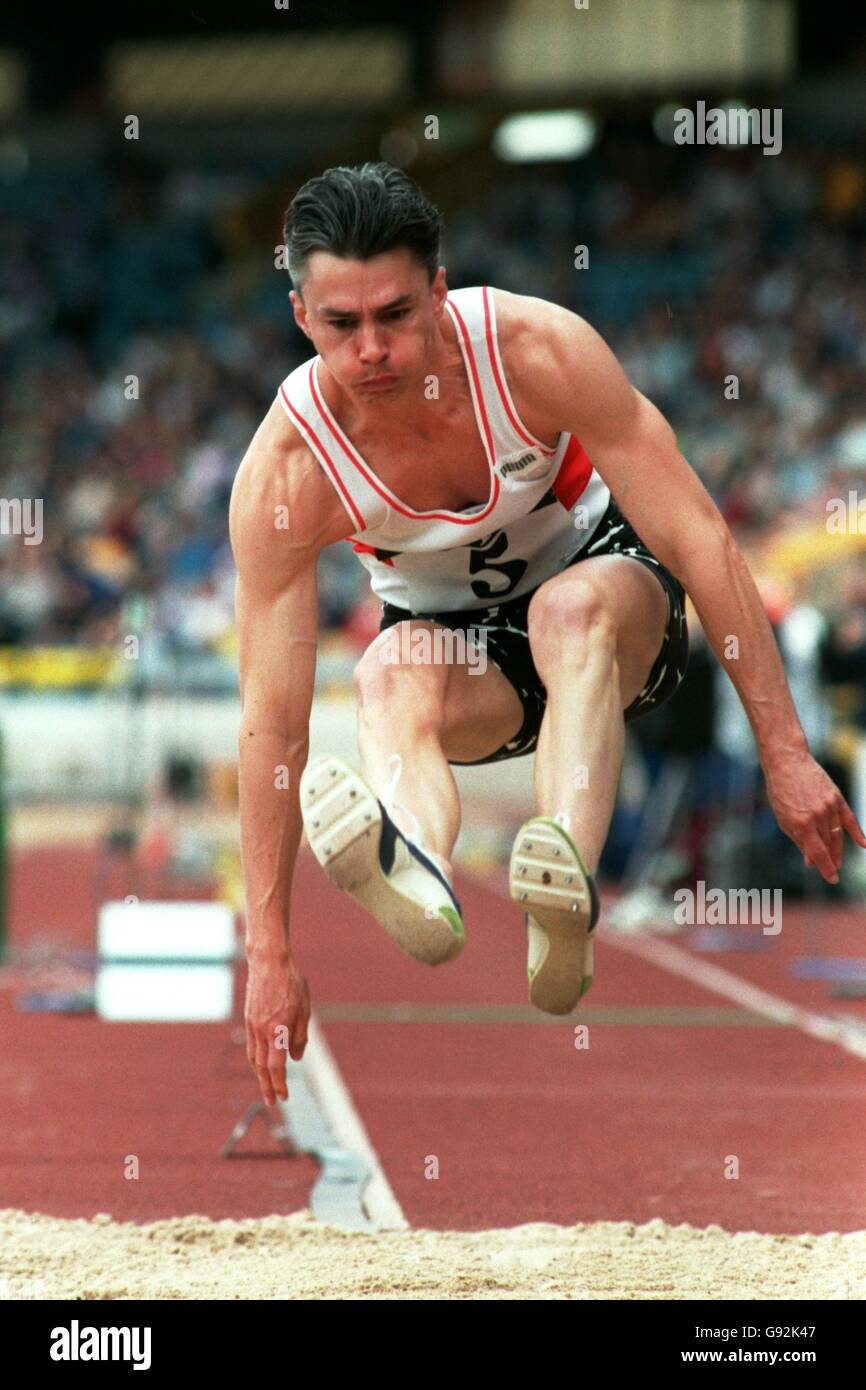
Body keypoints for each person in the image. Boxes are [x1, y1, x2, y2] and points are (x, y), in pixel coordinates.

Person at [229, 162, 864, 1107]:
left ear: (441, 291)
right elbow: (272, 727)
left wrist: (785, 751)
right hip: (464, 658)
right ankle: (420, 873)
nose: (372, 350)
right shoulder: (289, 471)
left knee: (568, 611)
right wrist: (270, 948)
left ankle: (561, 870)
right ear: (300, 319)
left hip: (613, 617)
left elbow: (697, 538)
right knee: (385, 672)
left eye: (396, 314)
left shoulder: (531, 352)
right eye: (341, 325)